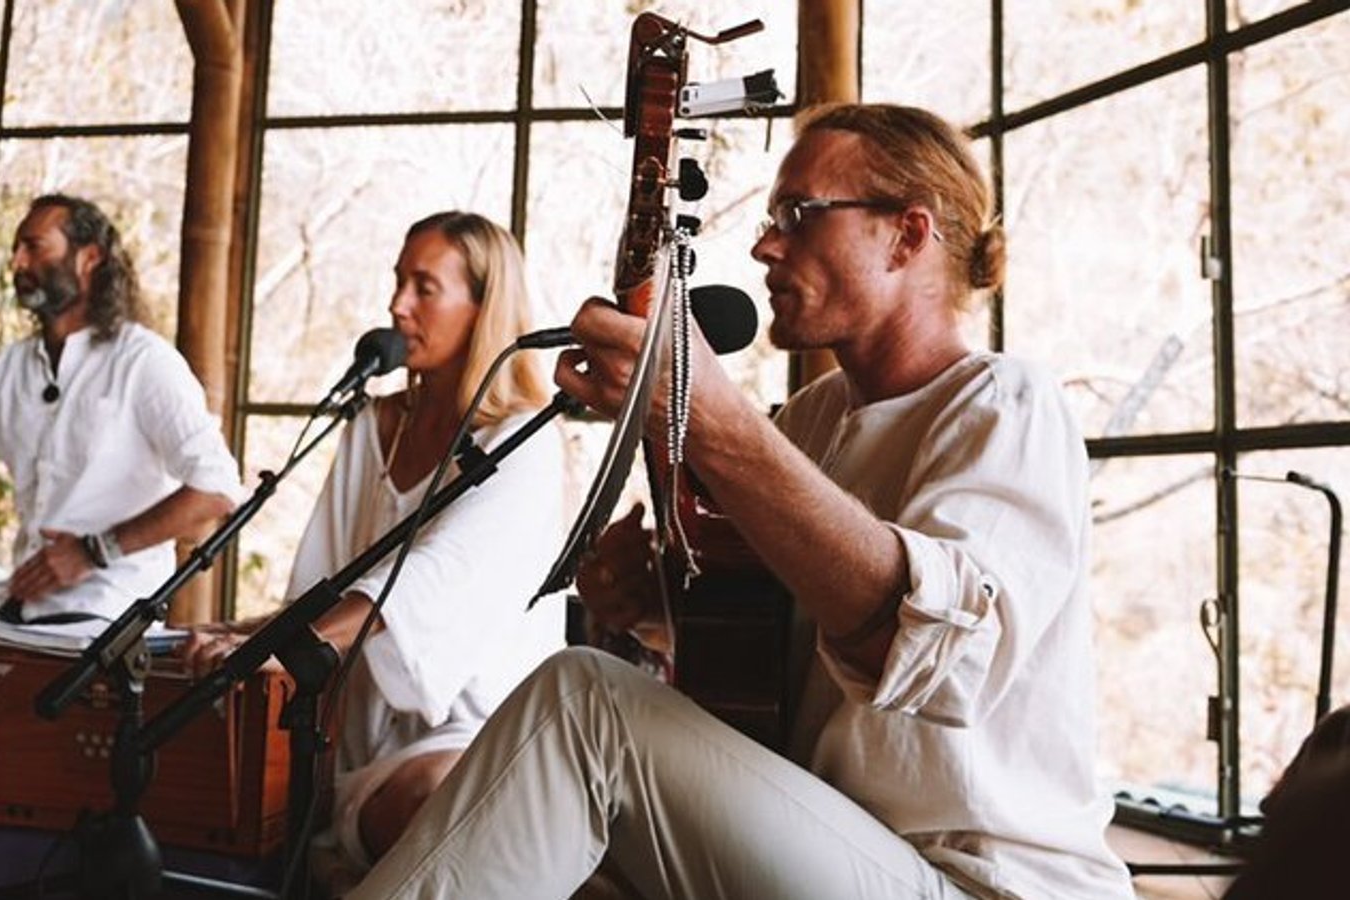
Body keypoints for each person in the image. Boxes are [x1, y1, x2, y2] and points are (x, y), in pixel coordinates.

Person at [346, 104, 1136, 899]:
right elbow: (776, 657)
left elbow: (926, 659)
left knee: (584, 707)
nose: (764, 245)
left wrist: (712, 421)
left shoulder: (1005, 404)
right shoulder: (813, 420)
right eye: (769, 219)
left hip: (984, 882)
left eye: (798, 215)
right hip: (837, 850)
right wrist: (655, 605)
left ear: (907, 235)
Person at [181, 211, 566, 885]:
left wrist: (275, 648)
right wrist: (237, 634)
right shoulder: (372, 425)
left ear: (483, 309)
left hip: (467, 736)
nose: (396, 305)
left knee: (441, 800)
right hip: (343, 735)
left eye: (425, 286)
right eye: (398, 282)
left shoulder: (523, 440)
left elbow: (426, 580)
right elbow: (322, 588)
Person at [0, 193, 243, 685]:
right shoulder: (6, 372)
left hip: (108, 612)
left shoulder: (145, 362)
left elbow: (218, 487)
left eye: (35, 247)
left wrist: (96, 550)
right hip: (18, 606)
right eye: (15, 250)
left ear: (89, 258)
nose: (17, 262)